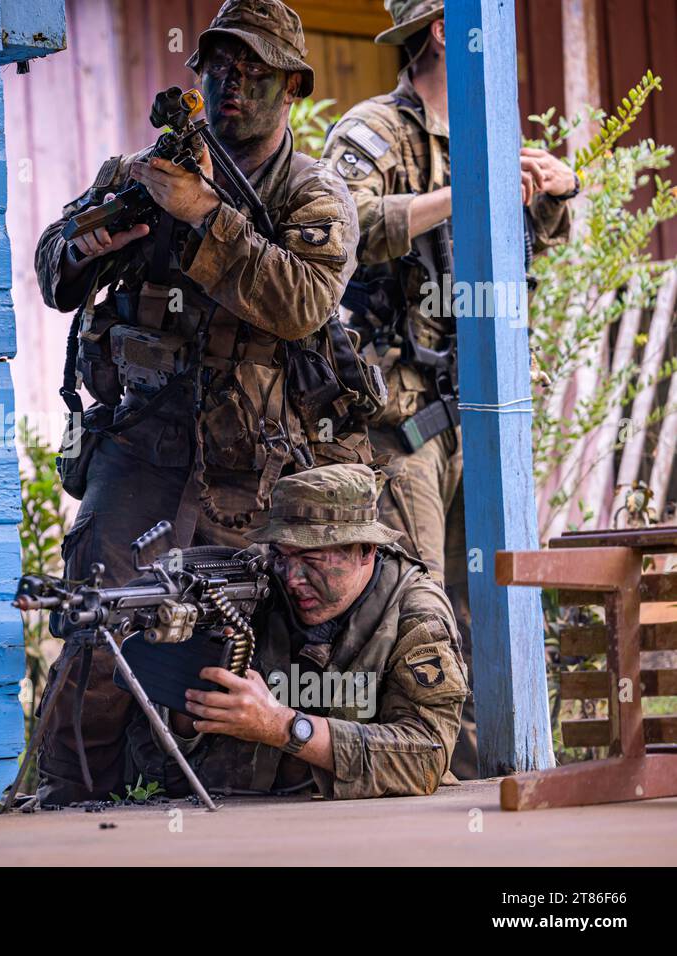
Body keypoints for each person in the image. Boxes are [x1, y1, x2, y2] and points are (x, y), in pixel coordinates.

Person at [30, 0, 381, 805]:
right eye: (220, 66)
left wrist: (202, 216)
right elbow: (53, 266)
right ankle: (63, 801)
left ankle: (224, 815)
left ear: (293, 84)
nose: (233, 84)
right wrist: (89, 243)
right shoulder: (143, 170)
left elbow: (300, 302)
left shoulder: (314, 195)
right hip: (141, 447)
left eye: (255, 71)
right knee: (96, 627)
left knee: (245, 651)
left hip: (254, 467)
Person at [320, 0, 576, 777]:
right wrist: (470, 190)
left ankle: (485, 767)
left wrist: (556, 192)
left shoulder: (490, 139)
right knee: (417, 598)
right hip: (400, 417)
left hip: (481, 413)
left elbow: (535, 242)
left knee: (493, 598)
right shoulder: (374, 131)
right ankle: (410, 769)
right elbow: (342, 227)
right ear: (443, 31)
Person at [126, 463, 469, 799]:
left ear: (366, 550)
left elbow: (425, 755)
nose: (291, 577)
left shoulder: (414, 612)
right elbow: (163, 755)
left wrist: (282, 727)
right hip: (238, 815)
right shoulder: (248, 584)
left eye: (312, 559)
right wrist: (194, 703)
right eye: (282, 555)